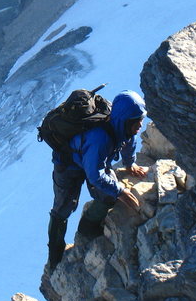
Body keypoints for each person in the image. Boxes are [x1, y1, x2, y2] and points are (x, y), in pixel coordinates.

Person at [47, 89, 148, 269]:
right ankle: (55, 257)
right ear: (125, 120)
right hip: (68, 164)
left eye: (140, 119)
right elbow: (95, 175)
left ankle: (87, 228)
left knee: (108, 195)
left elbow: (128, 141)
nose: (140, 124)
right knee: (63, 209)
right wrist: (121, 191)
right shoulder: (100, 138)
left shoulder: (121, 126)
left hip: (91, 159)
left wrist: (129, 163)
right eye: (137, 121)